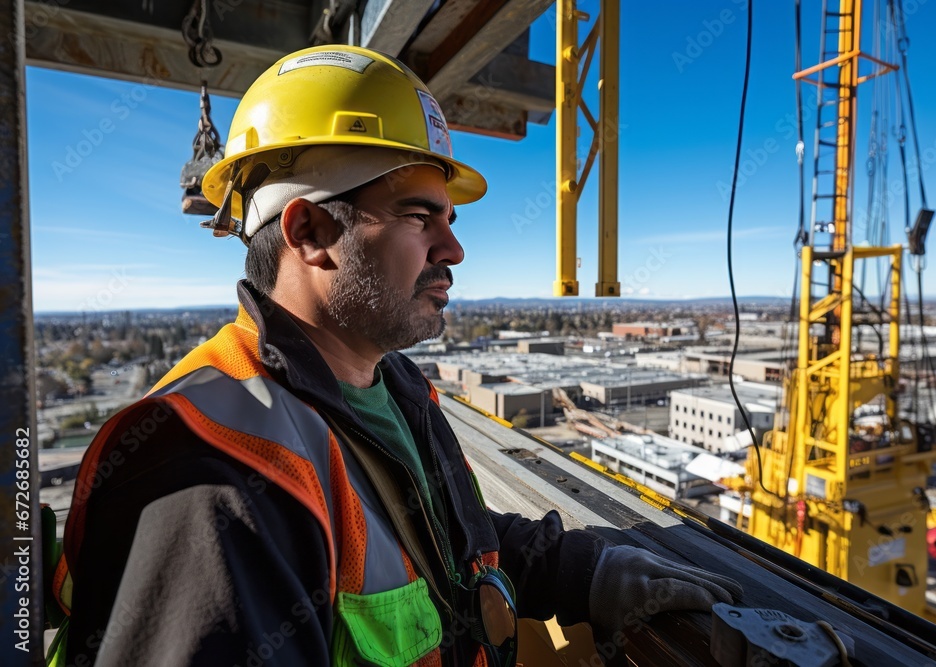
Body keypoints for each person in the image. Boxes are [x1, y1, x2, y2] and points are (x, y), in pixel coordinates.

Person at [53, 46, 741, 667]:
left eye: (450, 219)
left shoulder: (392, 386)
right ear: (313, 230)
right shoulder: (213, 477)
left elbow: (447, 541)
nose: (454, 250)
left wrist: (583, 571)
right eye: (419, 217)